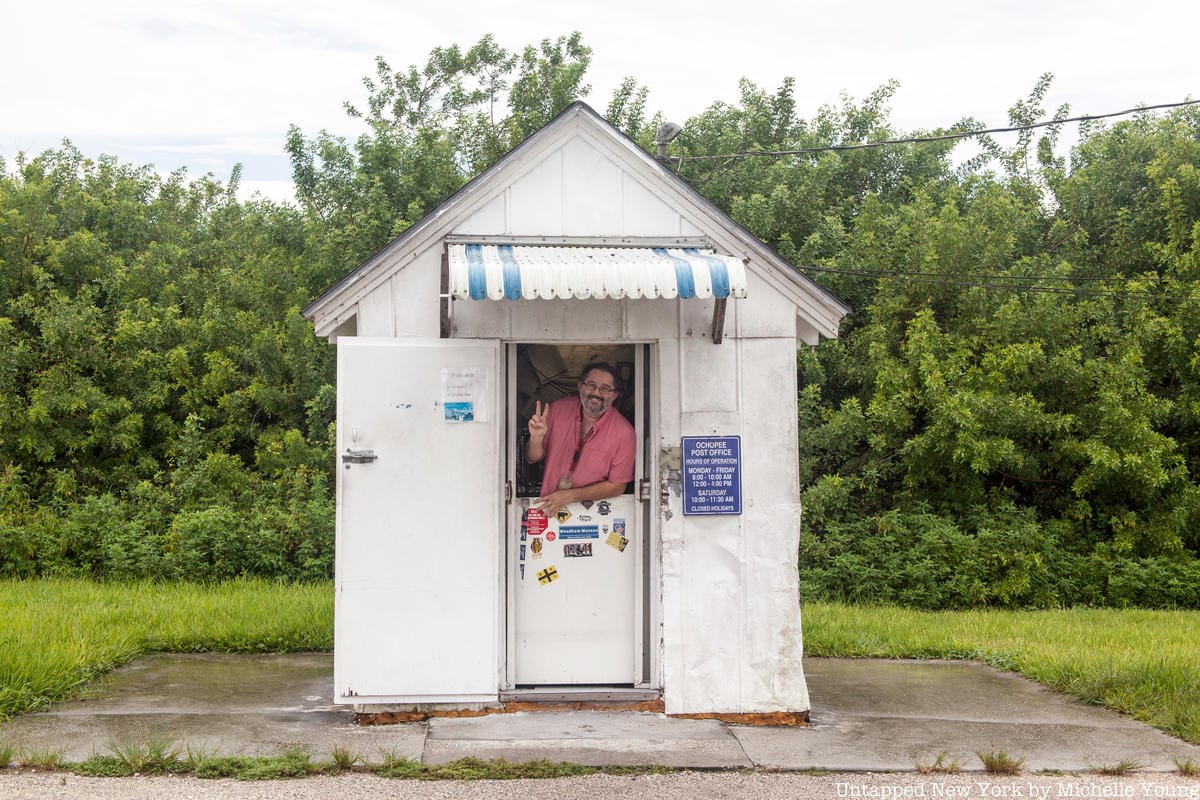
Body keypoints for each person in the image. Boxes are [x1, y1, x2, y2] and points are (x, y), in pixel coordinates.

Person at [525, 363, 636, 515]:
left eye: (605, 388)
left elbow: (618, 485)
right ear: (580, 386)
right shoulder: (557, 409)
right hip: (548, 508)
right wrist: (536, 439)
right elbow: (531, 458)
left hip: (595, 517)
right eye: (591, 385)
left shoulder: (625, 433)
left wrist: (570, 496)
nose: (596, 393)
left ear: (615, 395)